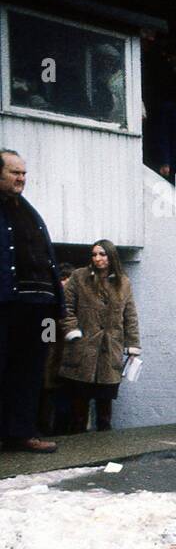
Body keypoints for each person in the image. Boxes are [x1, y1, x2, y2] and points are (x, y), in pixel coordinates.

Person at [0, 150, 63, 452]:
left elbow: (47, 257)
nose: (21, 178)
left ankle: (21, 432)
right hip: (8, 304)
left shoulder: (27, 209)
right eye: (14, 172)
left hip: (39, 306)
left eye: (24, 173)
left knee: (30, 371)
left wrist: (57, 304)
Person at [57, 240, 140, 432]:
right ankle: (79, 450)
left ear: (111, 256)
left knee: (105, 410)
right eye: (94, 254)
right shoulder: (79, 277)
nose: (97, 258)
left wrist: (133, 344)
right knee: (79, 410)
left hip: (110, 350)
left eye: (102, 254)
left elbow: (130, 315)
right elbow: (66, 307)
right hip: (82, 349)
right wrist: (72, 331)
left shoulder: (124, 282)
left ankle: (104, 451)